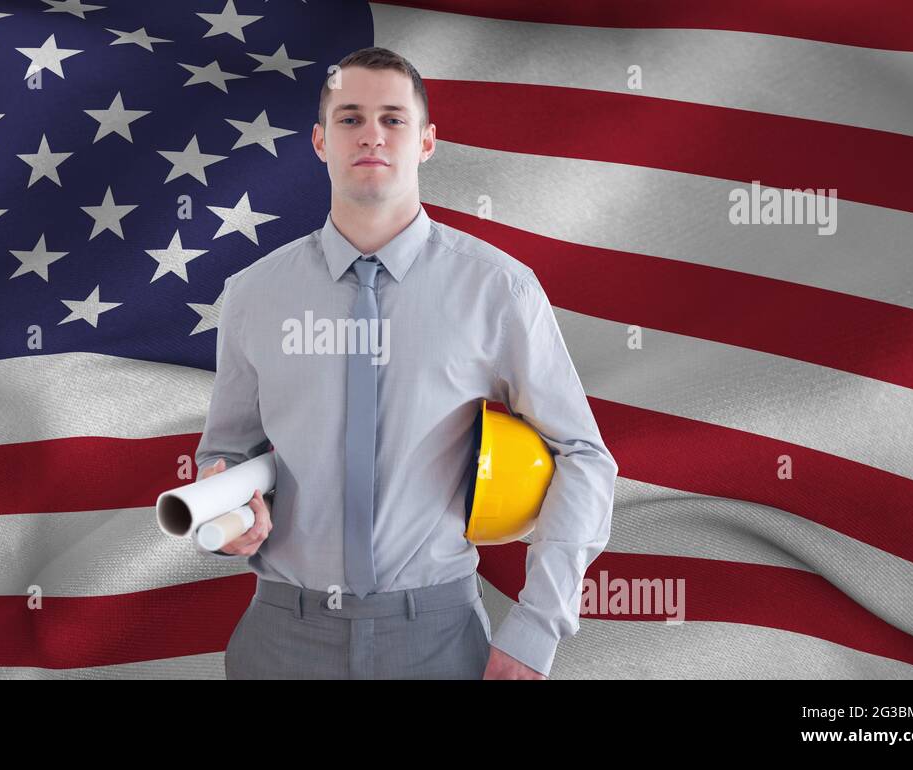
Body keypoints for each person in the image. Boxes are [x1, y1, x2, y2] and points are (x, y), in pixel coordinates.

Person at [195, 46, 618, 680]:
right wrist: (224, 511)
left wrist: (537, 626)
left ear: (426, 142)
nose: (372, 134)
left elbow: (585, 458)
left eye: (394, 118)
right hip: (281, 638)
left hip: (438, 641)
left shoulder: (498, 289)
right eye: (350, 118)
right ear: (319, 141)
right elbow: (224, 449)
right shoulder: (253, 294)